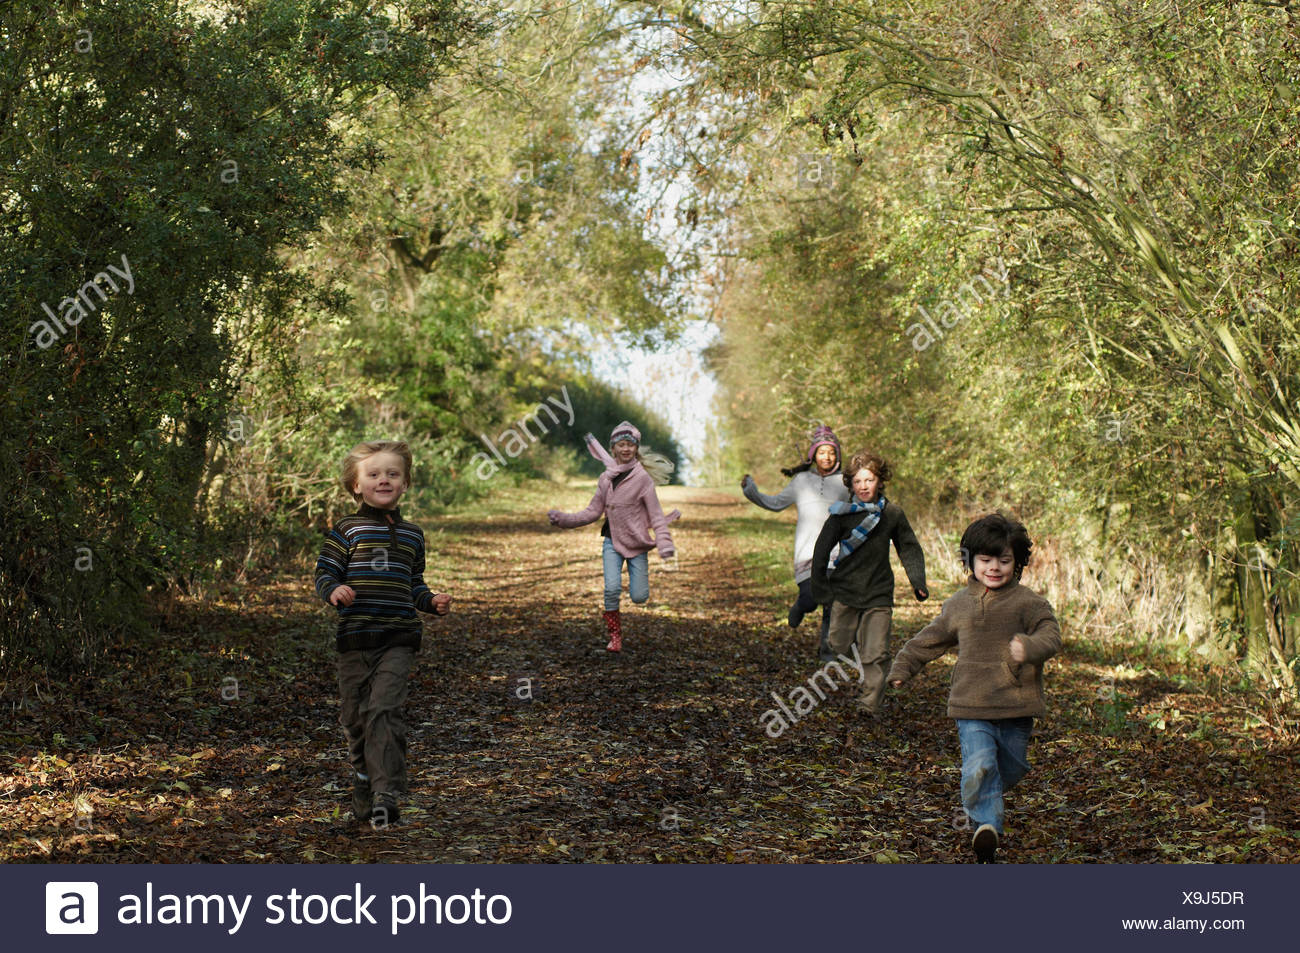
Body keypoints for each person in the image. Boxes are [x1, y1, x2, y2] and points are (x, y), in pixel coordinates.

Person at [887, 513, 1061, 863]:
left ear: (1018, 562)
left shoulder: (1030, 603)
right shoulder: (958, 605)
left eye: (1004, 560)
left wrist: (1029, 647)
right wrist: (903, 665)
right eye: (985, 560)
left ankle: (984, 804)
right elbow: (929, 640)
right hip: (971, 705)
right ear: (969, 560)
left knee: (1008, 768)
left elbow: (1051, 635)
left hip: (1017, 706)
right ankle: (988, 829)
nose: (994, 567)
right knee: (980, 766)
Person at [314, 440, 451, 826]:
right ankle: (363, 778)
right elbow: (325, 573)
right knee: (354, 717)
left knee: (384, 709)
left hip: (398, 636)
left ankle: (385, 792)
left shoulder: (412, 535)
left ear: (405, 483)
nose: (384, 480)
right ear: (356, 485)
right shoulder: (346, 529)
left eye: (393, 473)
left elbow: (414, 585)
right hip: (356, 637)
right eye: (373, 474)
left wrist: (431, 601)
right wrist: (333, 590)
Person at [810, 449, 927, 713]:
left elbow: (908, 547)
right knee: (838, 644)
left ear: (880, 482)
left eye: (869, 480)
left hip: (878, 593)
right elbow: (821, 549)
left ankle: (869, 703)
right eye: (859, 481)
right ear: (851, 484)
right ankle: (858, 646)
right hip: (845, 591)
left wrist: (917, 581)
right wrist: (820, 587)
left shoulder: (892, 514)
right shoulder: (842, 514)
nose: (864, 486)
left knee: (876, 653)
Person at [547, 421, 679, 653]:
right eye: (621, 444)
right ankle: (615, 636)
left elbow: (656, 516)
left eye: (630, 445)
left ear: (636, 448)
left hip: (637, 544)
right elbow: (591, 512)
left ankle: (627, 611)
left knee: (639, 597)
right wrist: (563, 520)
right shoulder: (605, 479)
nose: (626, 449)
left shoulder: (643, 480)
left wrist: (664, 542)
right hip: (611, 542)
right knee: (611, 589)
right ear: (613, 448)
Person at [741, 425, 850, 661]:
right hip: (806, 553)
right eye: (822, 452)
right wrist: (751, 491)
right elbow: (775, 503)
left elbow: (861, 508)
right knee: (812, 598)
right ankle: (801, 606)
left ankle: (828, 653)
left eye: (832, 452)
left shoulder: (845, 483)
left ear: (838, 455)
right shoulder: (801, 481)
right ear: (813, 455)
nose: (827, 457)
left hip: (836, 553)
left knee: (833, 603)